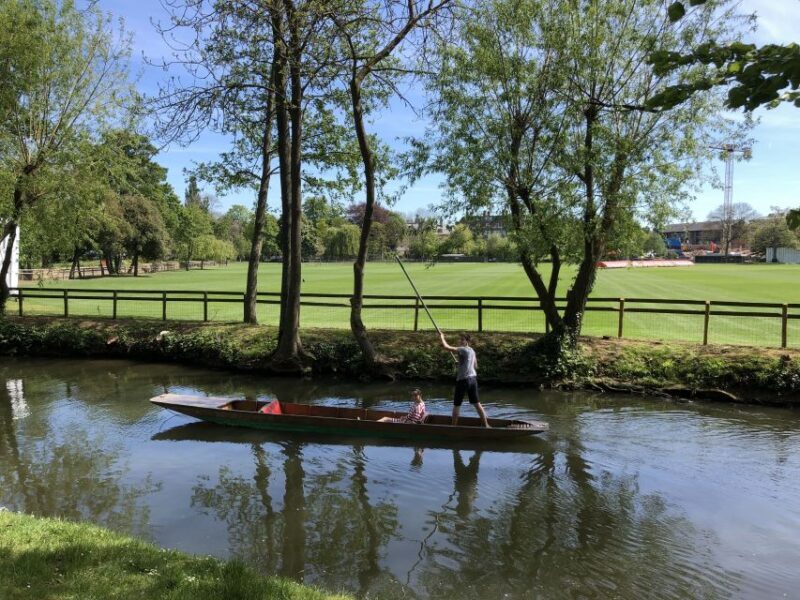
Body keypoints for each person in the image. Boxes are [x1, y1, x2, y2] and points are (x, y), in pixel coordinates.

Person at [439, 332, 490, 427]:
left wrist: (442, 337)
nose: (460, 341)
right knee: (477, 403)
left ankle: (453, 427)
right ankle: (486, 425)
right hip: (473, 380)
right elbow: (475, 366)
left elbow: (446, 347)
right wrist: (460, 363)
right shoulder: (472, 351)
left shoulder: (463, 349)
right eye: (460, 339)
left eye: (462, 339)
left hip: (463, 380)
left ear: (467, 341)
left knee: (456, 404)